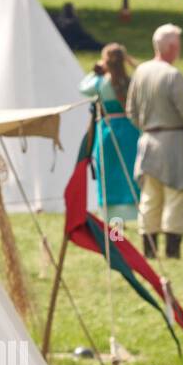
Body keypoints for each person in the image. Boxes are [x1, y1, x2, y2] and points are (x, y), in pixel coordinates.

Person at [125, 24, 183, 260]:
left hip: (147, 141)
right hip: (173, 144)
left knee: (150, 197)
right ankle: (172, 253)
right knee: (176, 196)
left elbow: (131, 110)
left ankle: (149, 251)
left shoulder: (140, 71)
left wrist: (147, 126)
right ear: (171, 47)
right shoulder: (173, 75)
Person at [78, 43, 140, 229]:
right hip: (131, 132)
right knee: (129, 175)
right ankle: (141, 221)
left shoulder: (100, 83)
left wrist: (95, 71)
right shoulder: (131, 81)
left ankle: (117, 229)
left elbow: (83, 88)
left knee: (111, 180)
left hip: (108, 131)